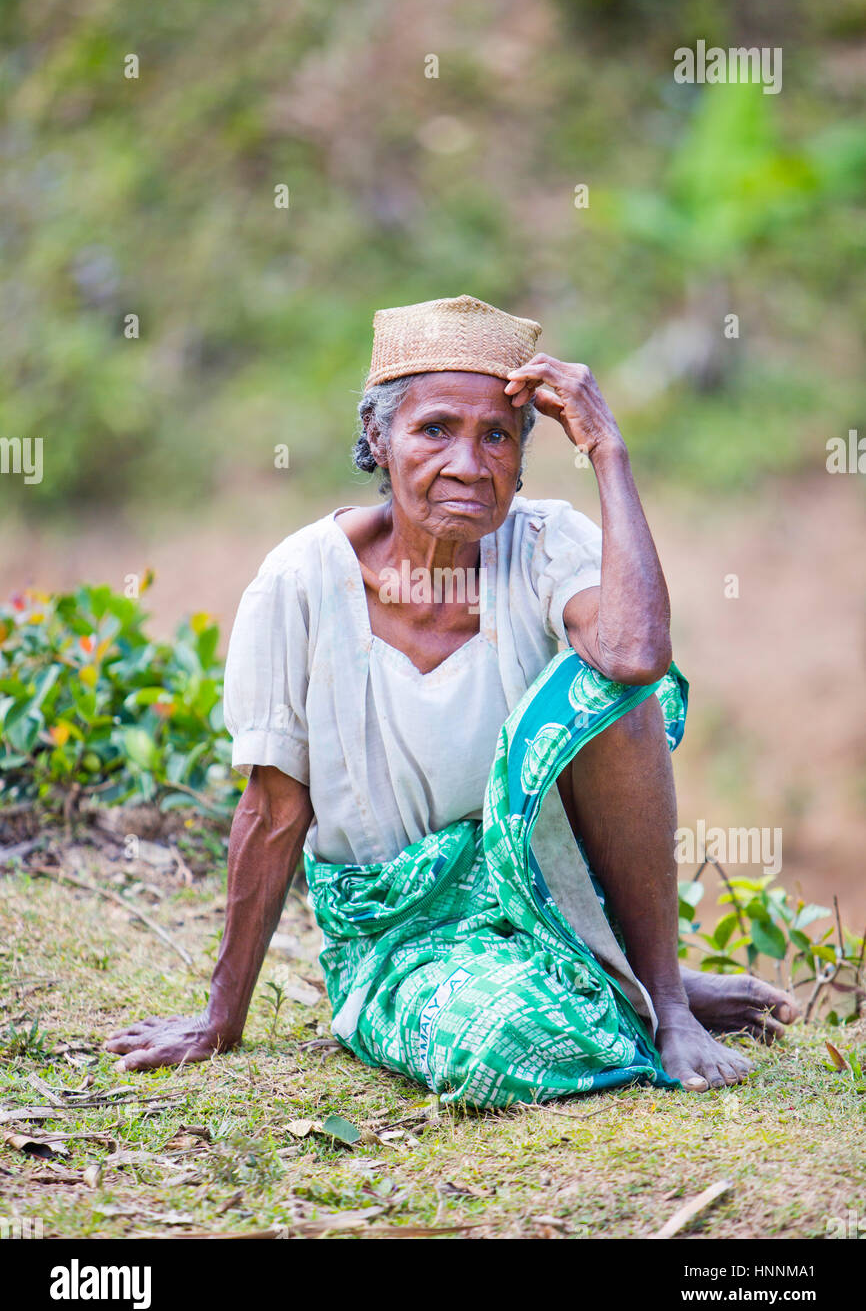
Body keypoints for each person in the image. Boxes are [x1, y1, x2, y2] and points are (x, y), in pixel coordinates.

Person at [105, 294, 798, 1105]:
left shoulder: (544, 543)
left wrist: (608, 448)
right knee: (499, 1046)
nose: (470, 463)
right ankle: (633, 987)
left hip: (546, 896)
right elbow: (274, 808)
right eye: (435, 430)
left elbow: (637, 653)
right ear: (378, 439)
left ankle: (665, 1001)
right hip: (400, 934)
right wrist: (221, 1018)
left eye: (496, 436)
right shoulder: (300, 584)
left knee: (615, 686)